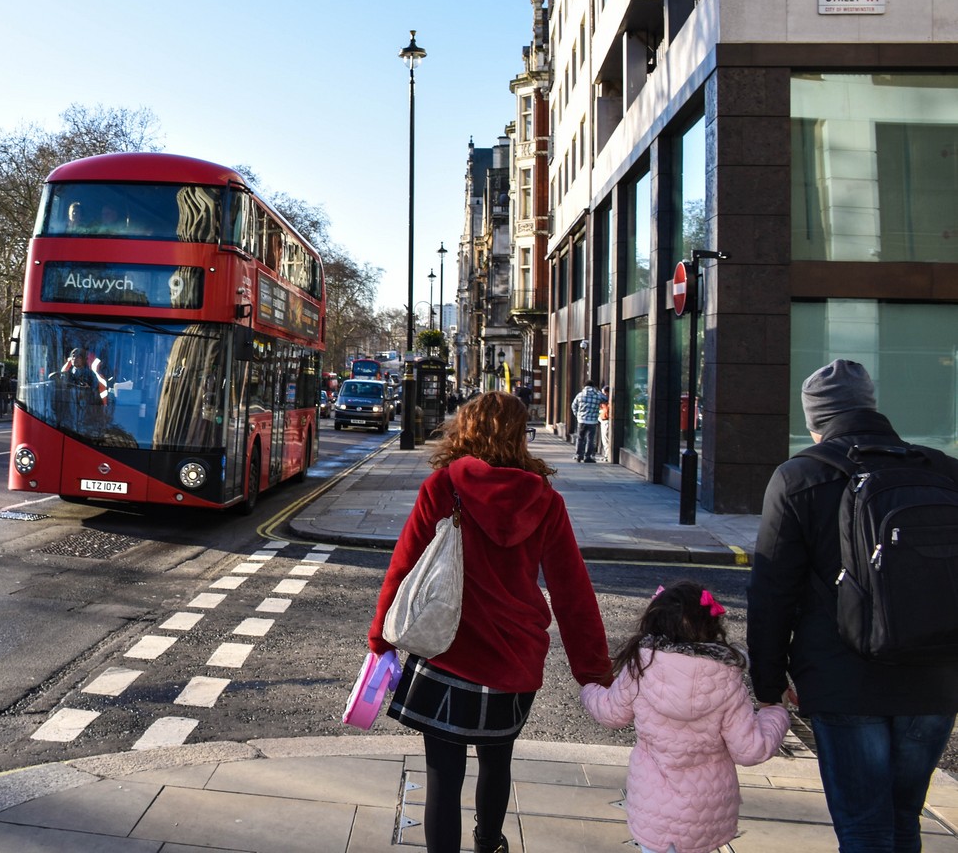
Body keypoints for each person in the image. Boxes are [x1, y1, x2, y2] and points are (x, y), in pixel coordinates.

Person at [368, 391, 611, 853]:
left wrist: (381, 640)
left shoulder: (443, 487)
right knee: (497, 762)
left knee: (443, 775)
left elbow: (403, 567)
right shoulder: (545, 501)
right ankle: (488, 844)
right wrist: (594, 672)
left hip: (446, 652)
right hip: (513, 660)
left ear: (466, 430)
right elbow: (572, 592)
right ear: (519, 437)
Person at [747, 359, 958, 850]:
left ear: (815, 420)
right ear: (871, 405)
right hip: (935, 676)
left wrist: (769, 683)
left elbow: (773, 591)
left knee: (865, 828)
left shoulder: (800, 477)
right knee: (903, 820)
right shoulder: (944, 470)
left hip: (843, 676)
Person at [582, 580, 791, 853]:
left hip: (653, 807)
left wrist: (588, 689)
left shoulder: (640, 667)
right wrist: (776, 712)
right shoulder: (726, 677)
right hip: (706, 811)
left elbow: (611, 712)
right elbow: (750, 749)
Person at [571, 380, 606, 462]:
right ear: (593, 386)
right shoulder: (597, 395)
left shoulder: (580, 395)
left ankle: (579, 455)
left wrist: (578, 415)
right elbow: (606, 399)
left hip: (581, 420)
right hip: (592, 421)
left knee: (580, 438)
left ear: (584, 386)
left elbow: (573, 406)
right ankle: (588, 456)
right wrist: (598, 391)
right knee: (590, 439)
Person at [597, 385, 612, 461]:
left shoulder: (608, 402)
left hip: (606, 421)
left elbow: (606, 411)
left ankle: (607, 455)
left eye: (604, 393)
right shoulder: (605, 401)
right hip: (603, 420)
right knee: (605, 440)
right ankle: (606, 455)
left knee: (606, 439)